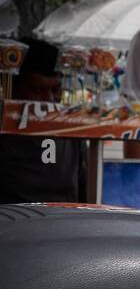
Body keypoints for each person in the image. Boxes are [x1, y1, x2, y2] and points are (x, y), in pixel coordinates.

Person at [0, 38, 84, 204]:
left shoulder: (72, 131)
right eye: (37, 90)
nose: (49, 100)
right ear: (13, 90)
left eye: (56, 90)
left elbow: (82, 184)